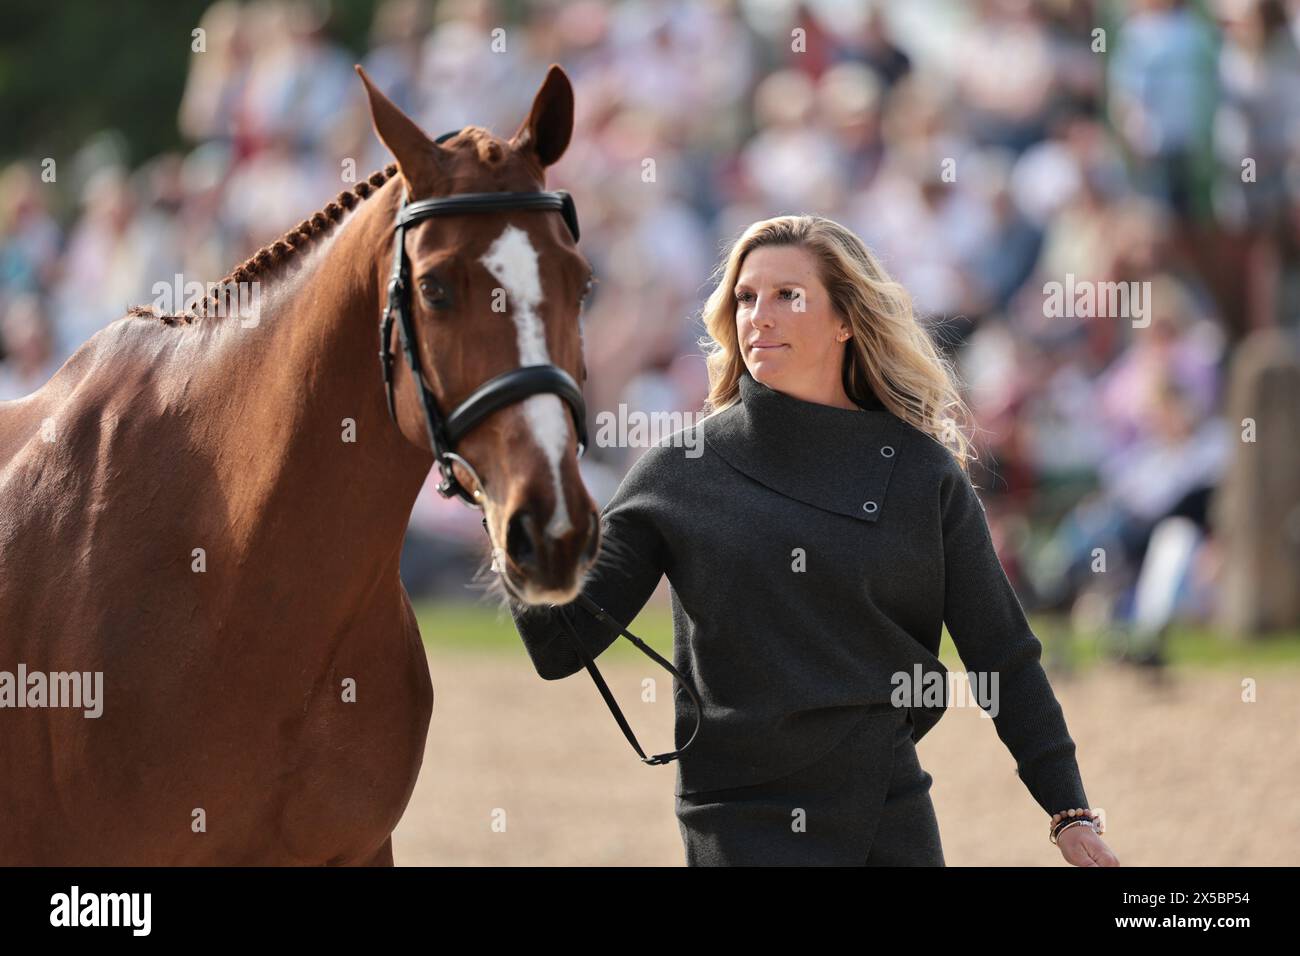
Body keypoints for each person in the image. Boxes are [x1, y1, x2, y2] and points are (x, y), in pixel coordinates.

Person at [509, 215, 1119, 867]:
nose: (758, 317)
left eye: (787, 296)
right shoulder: (682, 469)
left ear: (846, 320)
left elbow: (1001, 654)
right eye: (745, 298)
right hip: (736, 821)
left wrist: (1068, 809)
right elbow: (559, 643)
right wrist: (517, 514)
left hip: (888, 813)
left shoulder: (921, 473)